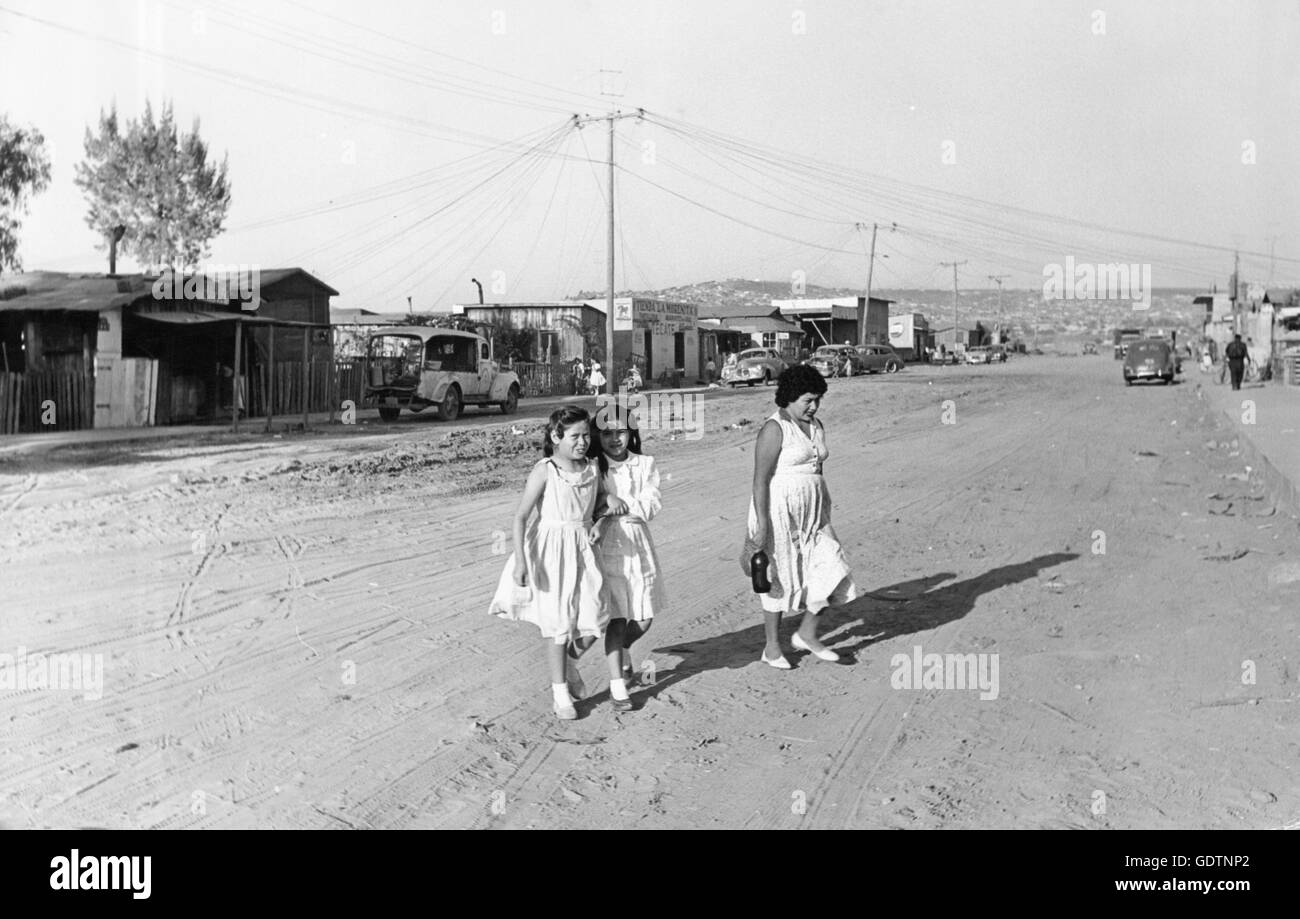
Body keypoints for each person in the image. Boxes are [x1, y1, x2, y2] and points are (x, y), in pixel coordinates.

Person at [489, 407, 608, 720]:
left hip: (583, 549)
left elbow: (601, 505)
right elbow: (521, 515)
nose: (582, 442)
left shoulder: (593, 469)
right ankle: (560, 695)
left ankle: (568, 663)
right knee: (558, 624)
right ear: (556, 437)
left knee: (597, 617)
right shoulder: (546, 470)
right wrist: (521, 563)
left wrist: (603, 520)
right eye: (575, 436)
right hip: (550, 552)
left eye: (586, 435)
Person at [742, 364, 858, 668]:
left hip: (813, 513)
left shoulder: (817, 425)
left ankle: (807, 633)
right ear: (790, 396)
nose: (814, 406)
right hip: (779, 511)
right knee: (779, 577)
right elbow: (760, 479)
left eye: (817, 399)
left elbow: (816, 469)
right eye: (808, 400)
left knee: (832, 567)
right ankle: (771, 647)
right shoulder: (774, 428)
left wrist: (819, 506)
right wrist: (762, 525)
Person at [590, 410, 664, 712]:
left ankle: (621, 650)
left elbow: (651, 504)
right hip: (608, 546)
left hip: (637, 542)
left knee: (643, 617)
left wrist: (617, 505)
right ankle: (617, 686)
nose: (614, 438)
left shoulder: (644, 464)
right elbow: (590, 506)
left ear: (631, 433)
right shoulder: (594, 467)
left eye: (621, 432)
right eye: (607, 433)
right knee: (618, 617)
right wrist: (605, 503)